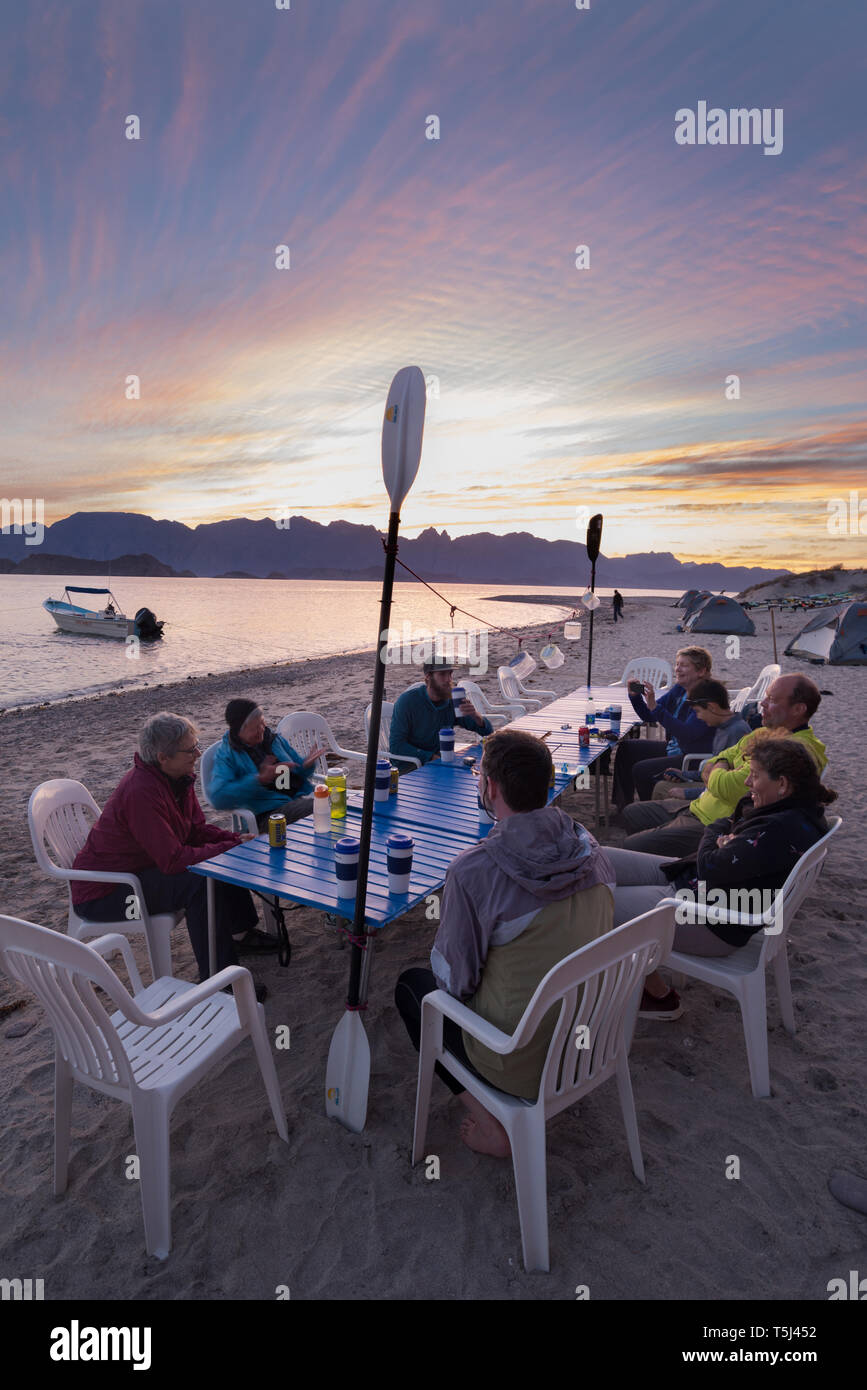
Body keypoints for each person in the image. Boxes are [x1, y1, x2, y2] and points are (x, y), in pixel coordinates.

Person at [394, 729, 615, 1156]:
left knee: (412, 989)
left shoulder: (473, 870)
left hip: (518, 1062)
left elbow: (454, 984)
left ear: (490, 787)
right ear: (548, 783)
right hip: (590, 1039)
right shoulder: (590, 848)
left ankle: (494, 1122)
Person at [604, 737, 837, 1018]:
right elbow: (723, 838)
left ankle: (658, 996)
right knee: (602, 860)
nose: (748, 783)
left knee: (596, 903)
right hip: (700, 887)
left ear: (783, 784)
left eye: (754, 775)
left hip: (710, 918)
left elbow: (711, 865)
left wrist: (713, 833)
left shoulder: (780, 828)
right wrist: (722, 837)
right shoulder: (792, 810)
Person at [71, 712, 269, 998]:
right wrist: (229, 847)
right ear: (163, 757)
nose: (198, 754)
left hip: (138, 871)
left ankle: (241, 933)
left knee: (221, 858)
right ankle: (218, 980)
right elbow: (173, 860)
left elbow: (195, 830)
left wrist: (233, 840)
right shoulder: (141, 792)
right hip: (107, 892)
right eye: (190, 750)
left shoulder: (177, 778)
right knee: (200, 881)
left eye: (197, 745)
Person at [618, 673, 827, 857]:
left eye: (771, 700)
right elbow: (721, 757)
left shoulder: (792, 751)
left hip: (715, 823)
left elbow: (729, 788)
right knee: (631, 813)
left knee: (630, 845)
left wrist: (717, 769)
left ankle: (669, 871)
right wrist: (720, 765)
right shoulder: (765, 732)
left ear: (798, 709)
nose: (761, 704)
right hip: (702, 804)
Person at [612, 646, 715, 810]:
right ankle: (622, 807)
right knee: (626, 749)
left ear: (701, 671)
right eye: (677, 664)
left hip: (691, 757)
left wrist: (655, 707)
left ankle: (649, 811)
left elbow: (687, 734)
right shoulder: (680, 689)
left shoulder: (707, 696)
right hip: (675, 747)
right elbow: (649, 716)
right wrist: (636, 697)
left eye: (684, 665)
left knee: (641, 770)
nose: (677, 669)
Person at [208, 699, 327, 831]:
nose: (262, 730)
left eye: (262, 723)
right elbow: (217, 798)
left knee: (337, 801)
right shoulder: (227, 754)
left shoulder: (273, 740)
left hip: (297, 799)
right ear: (239, 731)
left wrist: (305, 766)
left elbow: (298, 771)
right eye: (255, 728)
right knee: (321, 807)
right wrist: (259, 779)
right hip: (266, 815)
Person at [651, 679, 752, 801]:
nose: (698, 717)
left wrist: (687, 793)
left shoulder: (736, 732)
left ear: (712, 707)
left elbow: (732, 786)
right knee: (661, 785)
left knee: (661, 788)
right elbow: (713, 772)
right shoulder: (722, 727)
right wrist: (684, 774)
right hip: (711, 786)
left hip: (718, 797)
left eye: (698, 711)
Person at [389, 660, 493, 766]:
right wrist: (430, 757)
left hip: (440, 763)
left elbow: (488, 732)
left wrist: (475, 716)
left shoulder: (451, 701)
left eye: (450, 674)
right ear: (428, 676)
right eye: (442, 674)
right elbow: (396, 746)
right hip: (410, 766)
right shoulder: (407, 702)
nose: (448, 679)